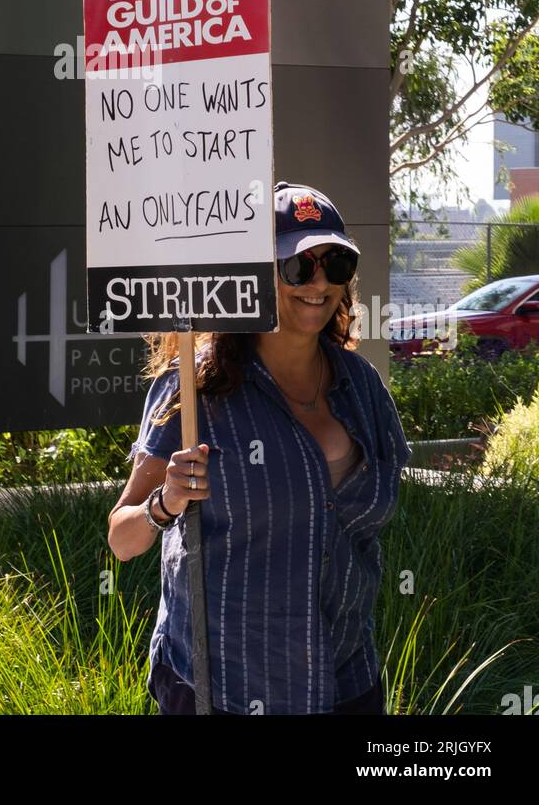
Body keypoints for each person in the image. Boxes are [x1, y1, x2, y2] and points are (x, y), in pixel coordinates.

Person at [107, 181, 413, 716]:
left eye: (334, 264)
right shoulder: (195, 391)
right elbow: (121, 538)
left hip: (346, 683)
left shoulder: (363, 387)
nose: (317, 283)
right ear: (256, 279)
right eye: (297, 267)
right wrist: (167, 503)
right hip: (226, 688)